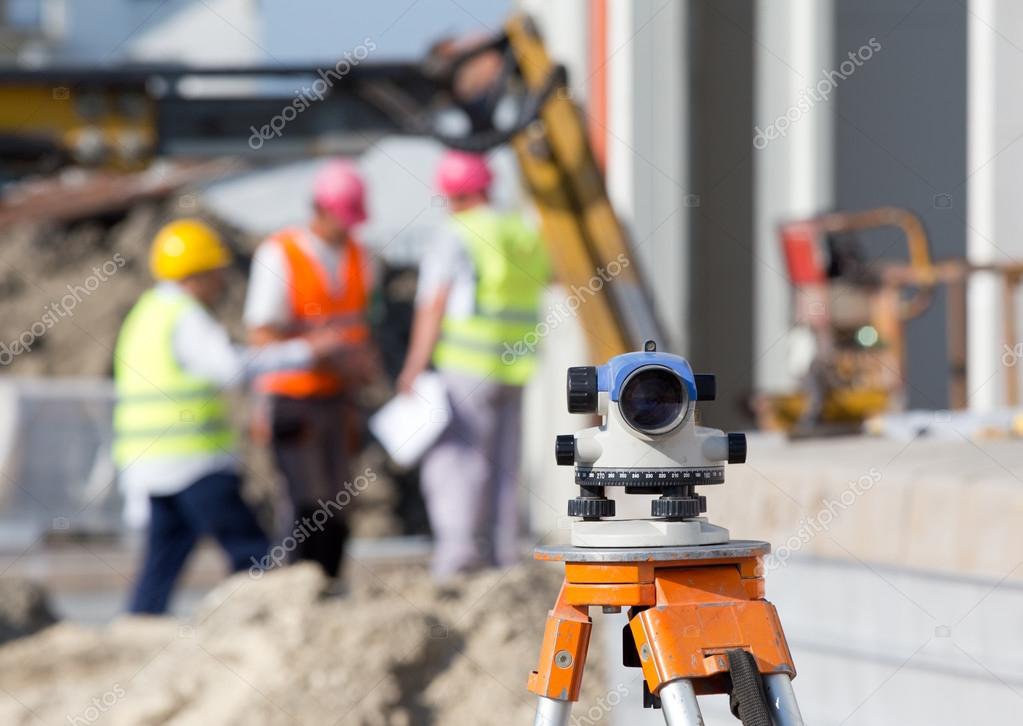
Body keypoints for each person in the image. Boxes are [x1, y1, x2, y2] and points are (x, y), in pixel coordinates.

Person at [115, 219, 339, 614]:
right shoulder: (185, 316)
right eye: (216, 273)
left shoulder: (146, 313)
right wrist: (304, 352)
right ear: (196, 274)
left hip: (151, 466)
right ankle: (262, 626)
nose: (221, 282)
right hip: (194, 463)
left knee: (163, 559)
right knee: (250, 550)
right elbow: (232, 368)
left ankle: (138, 627)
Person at [397, 150, 550, 579]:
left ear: (451, 194)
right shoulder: (520, 231)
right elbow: (550, 278)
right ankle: (504, 555)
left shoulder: (456, 234)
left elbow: (433, 305)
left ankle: (459, 556)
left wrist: (414, 365)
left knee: (457, 461)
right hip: (514, 367)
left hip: (467, 367)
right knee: (505, 464)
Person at [244, 159, 376, 580]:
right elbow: (260, 337)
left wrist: (361, 361)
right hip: (293, 399)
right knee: (306, 501)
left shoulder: (357, 256)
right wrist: (312, 349)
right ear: (319, 209)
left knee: (338, 501)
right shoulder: (280, 254)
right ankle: (296, 587)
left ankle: (330, 586)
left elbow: (358, 327)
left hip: (338, 398)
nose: (348, 228)